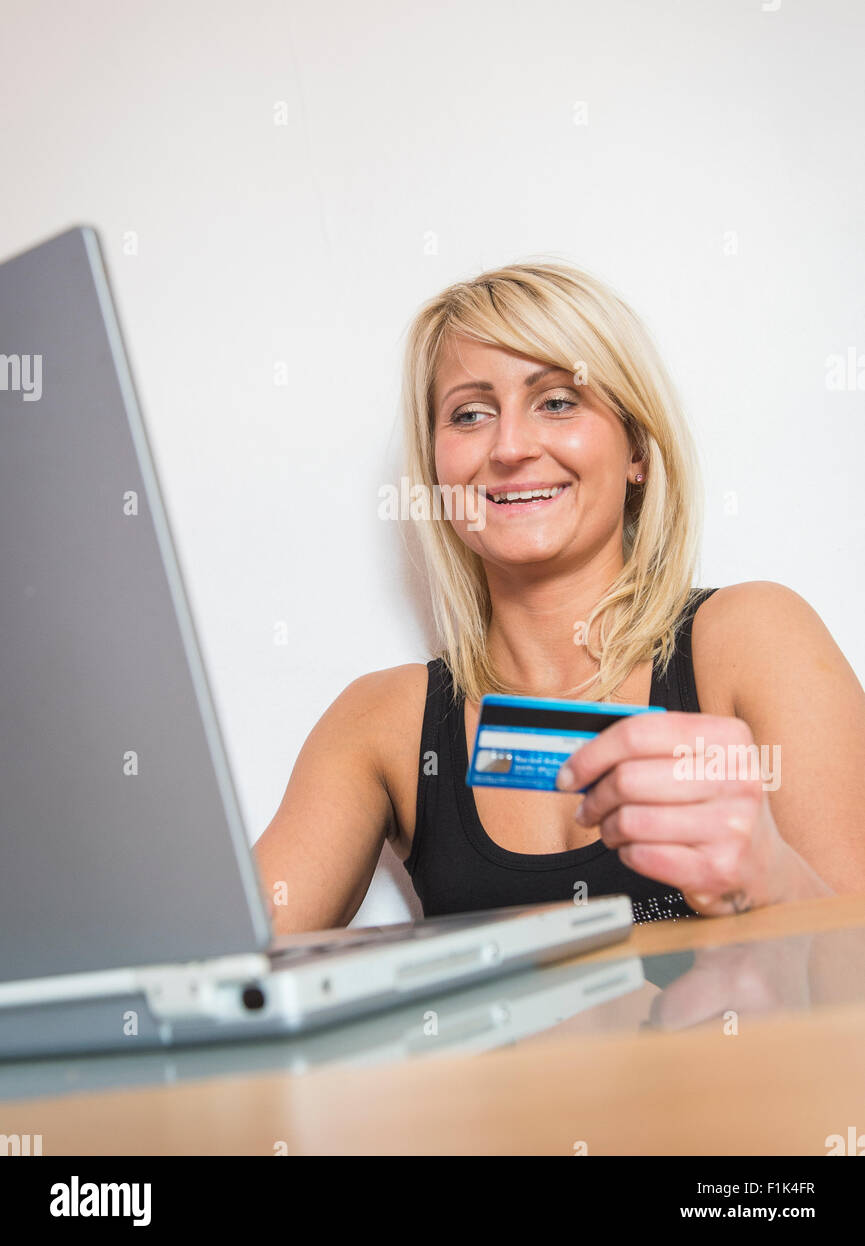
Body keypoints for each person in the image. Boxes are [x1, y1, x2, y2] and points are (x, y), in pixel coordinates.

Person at [254, 260, 865, 931]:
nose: (509, 446)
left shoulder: (751, 639)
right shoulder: (383, 723)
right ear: (435, 466)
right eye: (469, 414)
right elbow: (217, 975)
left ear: (635, 447)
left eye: (556, 401)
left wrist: (771, 879)